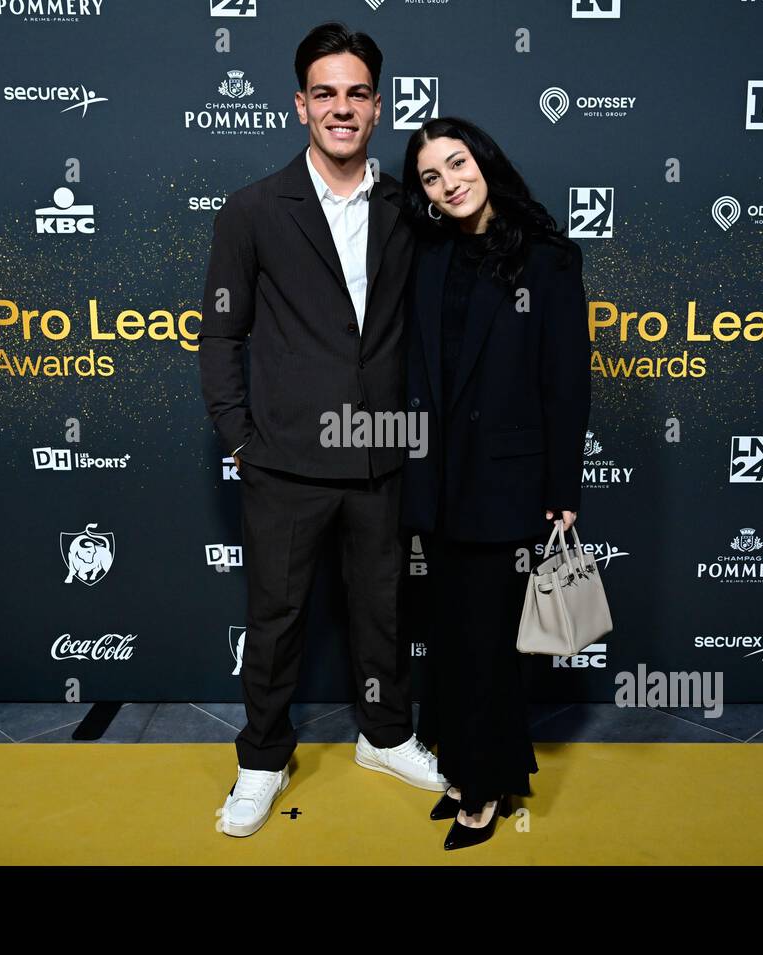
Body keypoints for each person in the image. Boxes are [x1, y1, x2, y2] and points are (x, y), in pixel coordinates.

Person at [199, 22, 447, 839]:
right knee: (274, 620)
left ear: (379, 107)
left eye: (358, 93)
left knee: (383, 613)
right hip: (286, 464)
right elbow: (221, 335)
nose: (342, 107)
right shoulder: (251, 210)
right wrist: (242, 438)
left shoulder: (410, 206)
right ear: (300, 103)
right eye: (326, 92)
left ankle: (385, 736)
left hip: (379, 454)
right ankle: (262, 759)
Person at [399, 117, 592, 850]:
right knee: (451, 636)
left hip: (507, 484)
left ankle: (486, 786)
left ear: (486, 161)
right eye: (431, 177)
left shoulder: (545, 259)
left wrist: (563, 487)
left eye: (458, 164)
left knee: (490, 644)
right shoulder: (429, 253)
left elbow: (565, 381)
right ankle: (463, 764)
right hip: (436, 483)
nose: (450, 183)